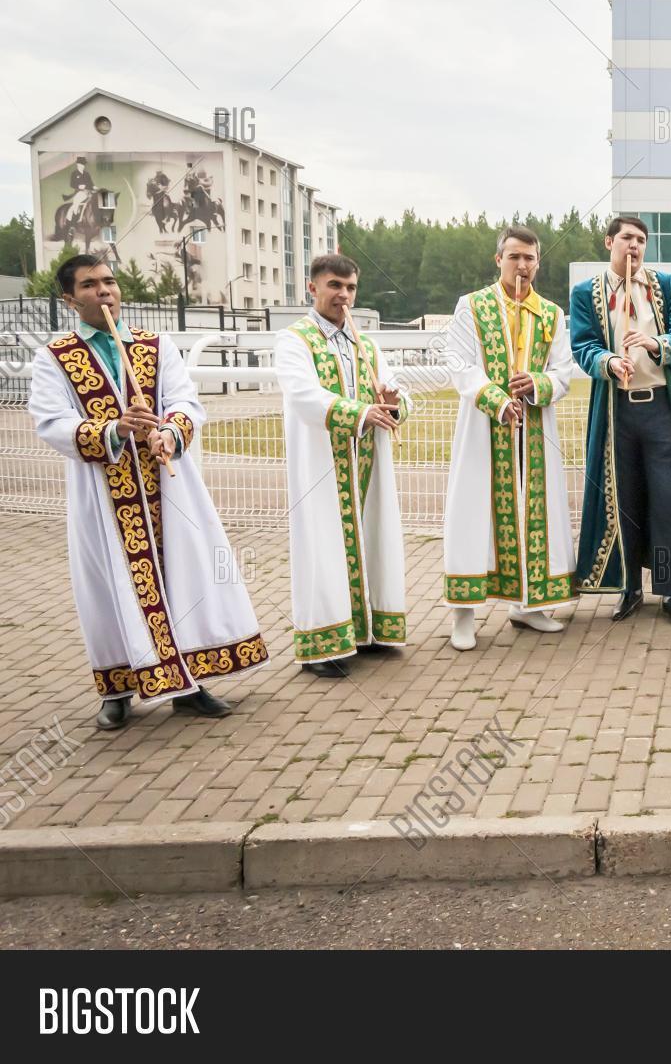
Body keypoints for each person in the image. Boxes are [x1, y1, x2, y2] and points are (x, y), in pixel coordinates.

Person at [28, 254, 269, 730]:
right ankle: (117, 687)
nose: (104, 291)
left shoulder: (156, 346)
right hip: (103, 494)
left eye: (110, 282)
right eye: (90, 284)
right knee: (107, 586)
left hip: (168, 488)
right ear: (69, 299)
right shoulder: (54, 357)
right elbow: (51, 422)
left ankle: (192, 683)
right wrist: (114, 429)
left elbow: (185, 401)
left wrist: (170, 432)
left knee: (184, 577)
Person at [275, 253, 408, 677]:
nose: (344, 295)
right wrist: (359, 413)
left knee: (372, 538)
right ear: (312, 288)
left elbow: (396, 391)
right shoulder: (294, 340)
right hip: (321, 464)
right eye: (334, 286)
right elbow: (302, 395)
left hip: (365, 462)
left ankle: (368, 631)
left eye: (350, 287)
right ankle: (322, 645)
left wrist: (393, 404)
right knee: (322, 545)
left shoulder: (364, 343)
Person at [443, 225, 577, 648]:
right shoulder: (473, 306)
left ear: (539, 263)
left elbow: (564, 371)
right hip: (485, 430)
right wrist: (497, 400)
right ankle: (463, 616)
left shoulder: (551, 314)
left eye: (530, 258)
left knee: (535, 513)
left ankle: (528, 606)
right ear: (497, 259)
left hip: (534, 432)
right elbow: (460, 364)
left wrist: (537, 384)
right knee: (473, 514)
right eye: (514, 256)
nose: (522, 265)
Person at [570, 216, 671, 626]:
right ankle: (630, 588)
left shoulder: (666, 285)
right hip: (616, 410)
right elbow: (583, 345)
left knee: (666, 500)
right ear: (610, 241)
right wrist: (608, 360)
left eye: (641, 240)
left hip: (659, 407)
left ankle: (670, 590)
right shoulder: (585, 292)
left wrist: (654, 343)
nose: (635, 246)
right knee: (622, 500)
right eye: (627, 238)